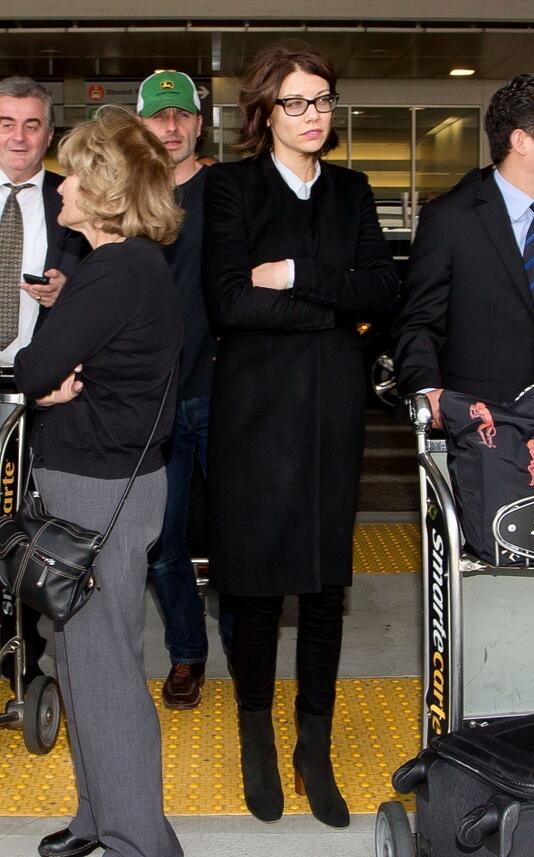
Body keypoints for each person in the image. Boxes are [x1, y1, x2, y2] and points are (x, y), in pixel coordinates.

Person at [203, 41, 399, 828]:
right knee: (254, 583)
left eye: (321, 100)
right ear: (264, 110)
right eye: (296, 102)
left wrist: (289, 275)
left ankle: (310, 744)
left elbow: (383, 290)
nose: (313, 116)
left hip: (330, 408)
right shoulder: (230, 188)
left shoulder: (352, 191)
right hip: (253, 412)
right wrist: (333, 310)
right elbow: (227, 302)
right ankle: (255, 728)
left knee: (324, 585)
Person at [14, 107, 183, 857]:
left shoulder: (113, 271)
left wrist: (51, 364)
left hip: (94, 489)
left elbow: (34, 368)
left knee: (105, 668)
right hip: (113, 480)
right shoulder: (122, 267)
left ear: (105, 188)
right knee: (81, 659)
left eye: (74, 175)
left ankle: (139, 841)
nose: (60, 190)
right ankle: (96, 817)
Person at [393, 74, 534, 419]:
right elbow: (419, 324)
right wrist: (428, 394)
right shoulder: (450, 220)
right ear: (521, 140)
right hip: (477, 432)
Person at [137, 70, 220, 710]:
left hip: (224, 389)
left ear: (198, 123)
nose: (170, 127)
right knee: (162, 543)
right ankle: (187, 655)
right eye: (159, 117)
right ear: (141, 126)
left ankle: (247, 655)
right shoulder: (127, 202)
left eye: (181, 115)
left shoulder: (229, 191)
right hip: (157, 399)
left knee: (243, 533)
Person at [0, 75, 85, 687]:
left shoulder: (73, 202)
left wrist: (65, 293)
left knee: (26, 532)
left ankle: (21, 660)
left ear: (49, 135)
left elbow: (104, 284)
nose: (19, 136)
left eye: (32, 125)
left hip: (40, 394)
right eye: (6, 123)